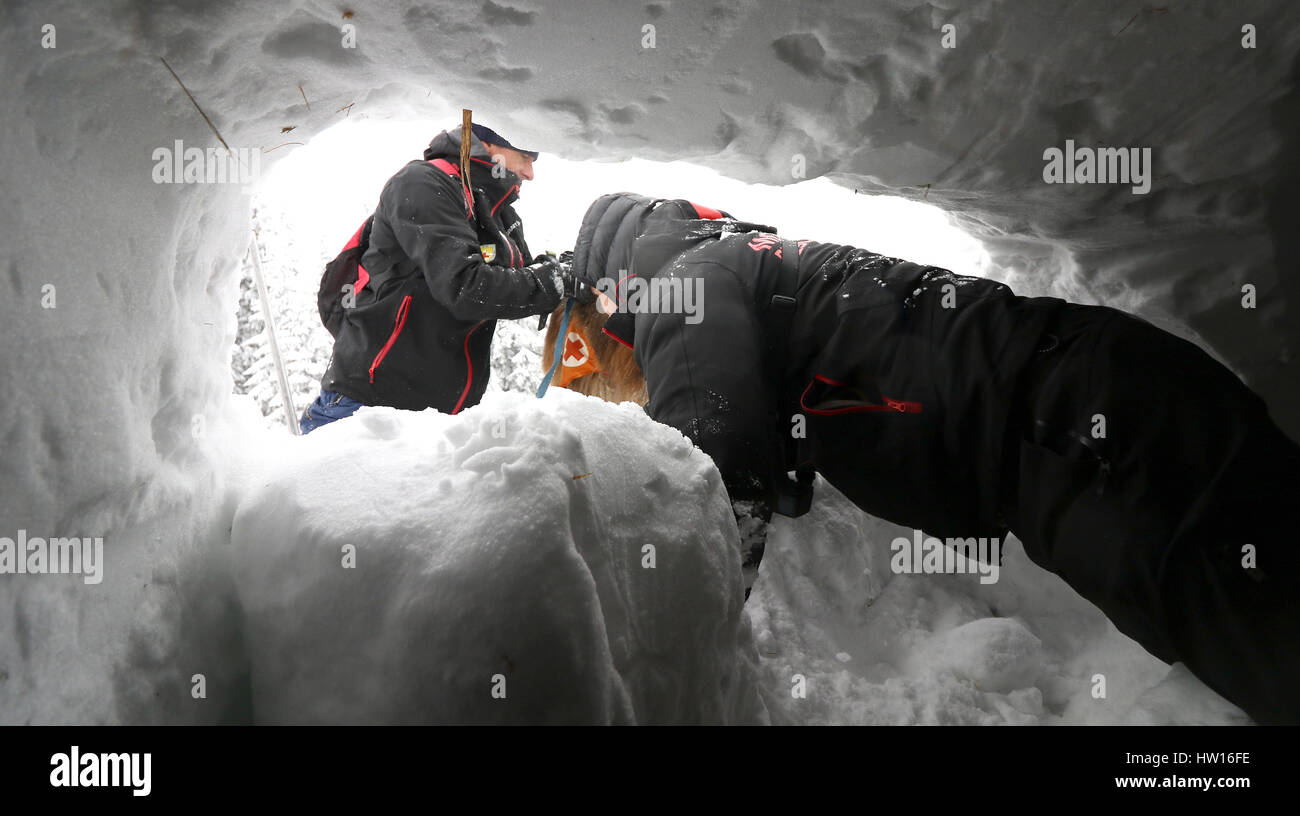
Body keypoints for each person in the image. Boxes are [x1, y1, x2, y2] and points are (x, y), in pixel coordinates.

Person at [551, 191, 1300, 725]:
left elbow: (717, 471)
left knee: (1268, 643)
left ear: (607, 299)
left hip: (1082, 438)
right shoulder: (747, 264)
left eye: (598, 348)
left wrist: (667, 656)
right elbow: (788, 431)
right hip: (1095, 406)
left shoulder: (685, 281)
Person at [300, 123, 582, 432]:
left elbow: (516, 282)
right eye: (526, 157)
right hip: (370, 408)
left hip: (438, 417)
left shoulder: (499, 213)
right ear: (489, 144)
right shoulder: (424, 183)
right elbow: (465, 287)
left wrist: (563, 272)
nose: (530, 173)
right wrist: (551, 282)